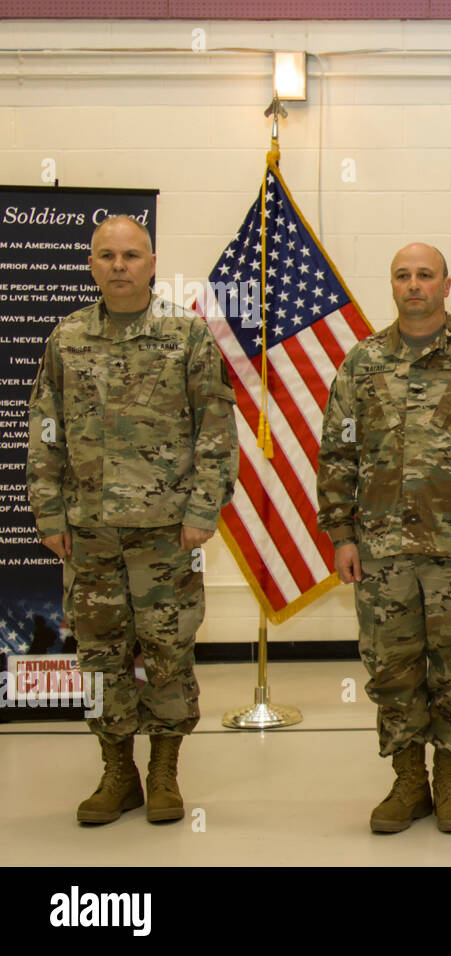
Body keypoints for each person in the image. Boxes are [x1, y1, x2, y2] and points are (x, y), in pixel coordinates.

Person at [317, 242, 451, 835]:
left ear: (446, 284)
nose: (413, 284)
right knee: (392, 669)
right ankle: (408, 778)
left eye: (425, 275)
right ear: (392, 286)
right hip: (382, 551)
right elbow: (337, 454)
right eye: (402, 275)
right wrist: (341, 533)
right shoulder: (361, 365)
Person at [27, 214, 238, 824]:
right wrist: (48, 511)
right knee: (99, 654)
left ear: (151, 262)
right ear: (91, 265)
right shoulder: (65, 338)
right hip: (87, 532)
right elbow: (45, 431)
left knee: (168, 648)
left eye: (131, 255)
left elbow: (216, 431)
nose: (119, 265)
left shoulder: (186, 335)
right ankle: (117, 770)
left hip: (166, 532)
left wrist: (203, 509)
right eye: (106, 255)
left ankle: (165, 771)